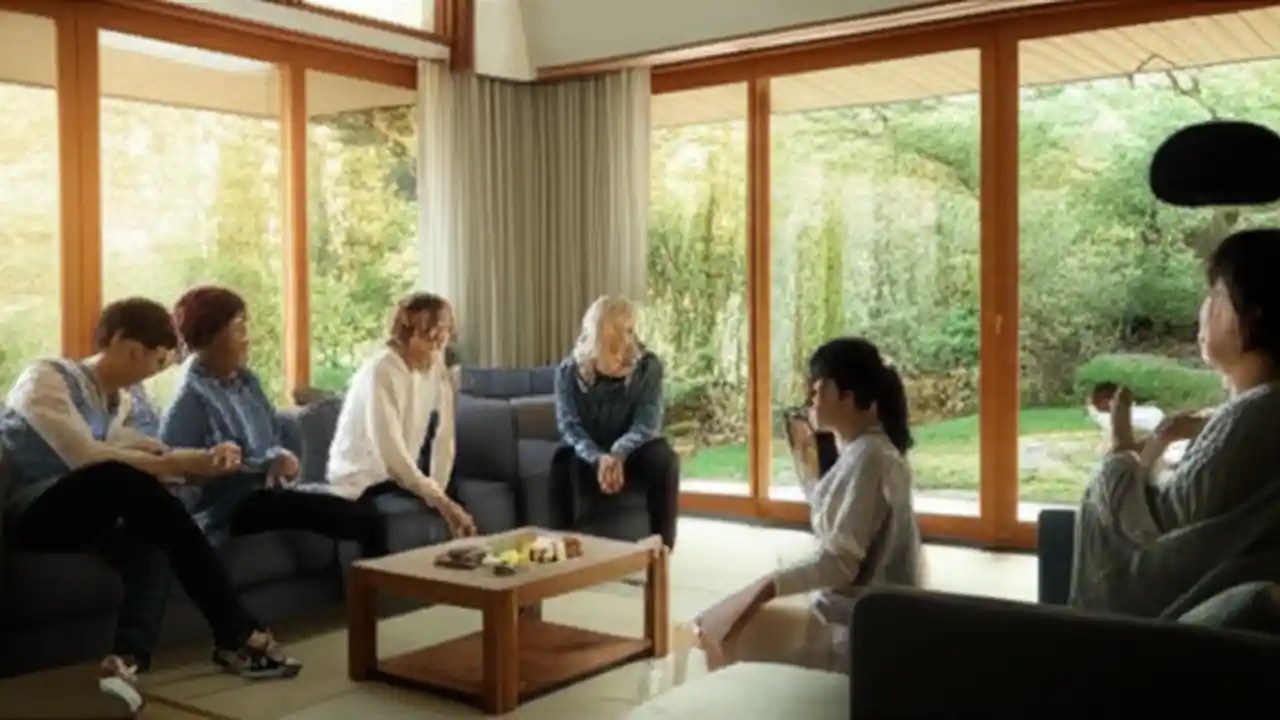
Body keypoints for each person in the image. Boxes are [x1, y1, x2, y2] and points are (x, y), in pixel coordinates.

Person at [0, 298, 302, 710]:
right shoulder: (46, 380)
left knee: (153, 540)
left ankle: (126, 664)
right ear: (128, 347)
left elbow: (148, 450)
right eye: (156, 362)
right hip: (29, 511)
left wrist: (201, 462)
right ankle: (236, 631)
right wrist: (175, 462)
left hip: (87, 517)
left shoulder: (119, 402)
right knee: (120, 479)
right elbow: (87, 458)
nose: (154, 373)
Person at [1073, 229, 1280, 613]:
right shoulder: (1252, 411)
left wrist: (1119, 448)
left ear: (1248, 316)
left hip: (1142, 636)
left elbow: (1156, 526)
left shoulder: (1259, 415)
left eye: (1215, 295)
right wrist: (1159, 445)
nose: (1204, 310)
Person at [691, 337, 921, 673]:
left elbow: (841, 562)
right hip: (869, 614)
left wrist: (763, 588)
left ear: (847, 394)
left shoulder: (870, 458)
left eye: (816, 389)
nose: (809, 400)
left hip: (862, 630)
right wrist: (807, 462)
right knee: (728, 615)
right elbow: (838, 516)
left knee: (723, 628)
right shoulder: (869, 451)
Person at [159, 285, 385, 552]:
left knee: (367, 507)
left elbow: (273, 435)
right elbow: (179, 479)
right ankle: (374, 590)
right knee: (359, 519)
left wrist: (281, 457)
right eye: (239, 328)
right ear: (209, 336)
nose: (247, 339)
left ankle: (371, 589)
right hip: (230, 508)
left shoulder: (246, 382)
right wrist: (262, 463)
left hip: (267, 493)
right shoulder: (190, 400)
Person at [324, 292, 477, 539]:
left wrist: (440, 491)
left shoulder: (436, 365)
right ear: (406, 335)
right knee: (425, 508)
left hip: (399, 477)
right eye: (430, 335)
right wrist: (441, 502)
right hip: (363, 479)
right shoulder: (382, 371)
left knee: (456, 497)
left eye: (444, 333)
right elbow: (393, 457)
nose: (438, 344)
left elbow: (444, 439)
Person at [552, 296, 679, 549]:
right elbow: (570, 427)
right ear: (599, 339)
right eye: (624, 333)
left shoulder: (648, 366)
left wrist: (619, 452)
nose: (629, 344)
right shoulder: (568, 371)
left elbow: (647, 422)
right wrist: (599, 458)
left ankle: (662, 548)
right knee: (562, 461)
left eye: (631, 332)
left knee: (664, 457)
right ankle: (567, 546)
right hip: (591, 453)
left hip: (633, 451)